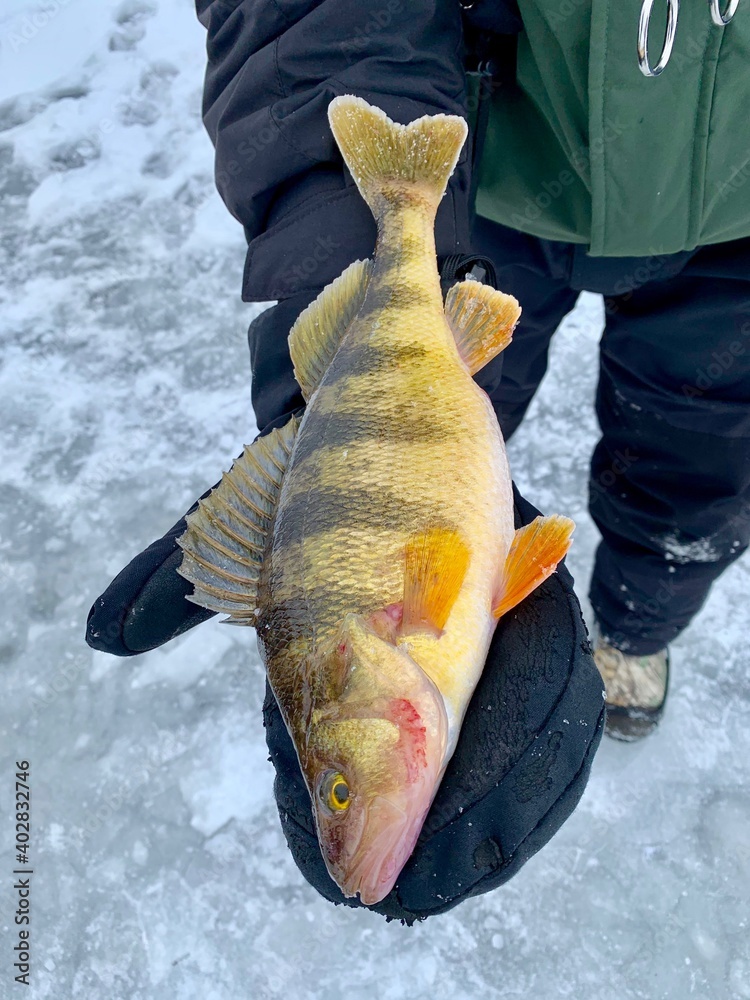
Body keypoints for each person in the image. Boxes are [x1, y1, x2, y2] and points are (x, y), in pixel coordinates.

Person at [87, 0, 748, 917]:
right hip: (499, 174)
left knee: (701, 473)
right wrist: (345, 241)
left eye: (338, 790)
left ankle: (638, 630)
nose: (344, 809)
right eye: (338, 793)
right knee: (477, 402)